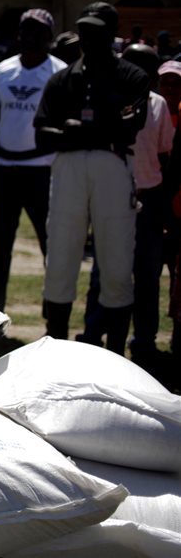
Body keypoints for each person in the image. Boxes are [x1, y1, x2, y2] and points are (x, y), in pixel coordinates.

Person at [34, 2, 150, 345]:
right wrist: (103, 126)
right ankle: (55, 342)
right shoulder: (62, 79)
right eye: (83, 29)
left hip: (112, 165)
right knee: (61, 255)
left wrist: (76, 129)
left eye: (96, 30)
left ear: (112, 33)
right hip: (68, 167)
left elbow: (132, 127)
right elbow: (41, 134)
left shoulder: (131, 76)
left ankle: (114, 348)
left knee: (116, 257)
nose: (87, 36)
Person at [82, 43, 173, 364]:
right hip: (112, 197)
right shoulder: (109, 101)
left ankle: (143, 341)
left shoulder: (158, 105)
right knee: (104, 271)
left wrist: (161, 205)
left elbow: (164, 157)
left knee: (146, 275)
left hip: (147, 201)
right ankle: (93, 335)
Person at [0, 9, 66, 313]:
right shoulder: (1, 72)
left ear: (50, 37)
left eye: (38, 32)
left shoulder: (60, 73)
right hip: (5, 171)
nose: (30, 38)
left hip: (43, 171)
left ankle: (53, 310)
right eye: (25, 31)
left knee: (51, 244)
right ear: (18, 35)